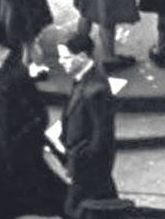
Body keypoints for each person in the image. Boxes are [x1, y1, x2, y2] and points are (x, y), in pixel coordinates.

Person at [0, 45, 66, 219]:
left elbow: (38, 114)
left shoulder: (16, 74)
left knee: (44, 191)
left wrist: (21, 141)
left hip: (16, 150)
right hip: (2, 151)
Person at [57, 32, 120, 218]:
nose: (61, 62)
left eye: (66, 57)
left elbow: (101, 135)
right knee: (103, 202)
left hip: (88, 164)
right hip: (86, 161)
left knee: (75, 208)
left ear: (83, 56)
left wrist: (79, 161)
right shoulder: (85, 78)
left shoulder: (96, 90)